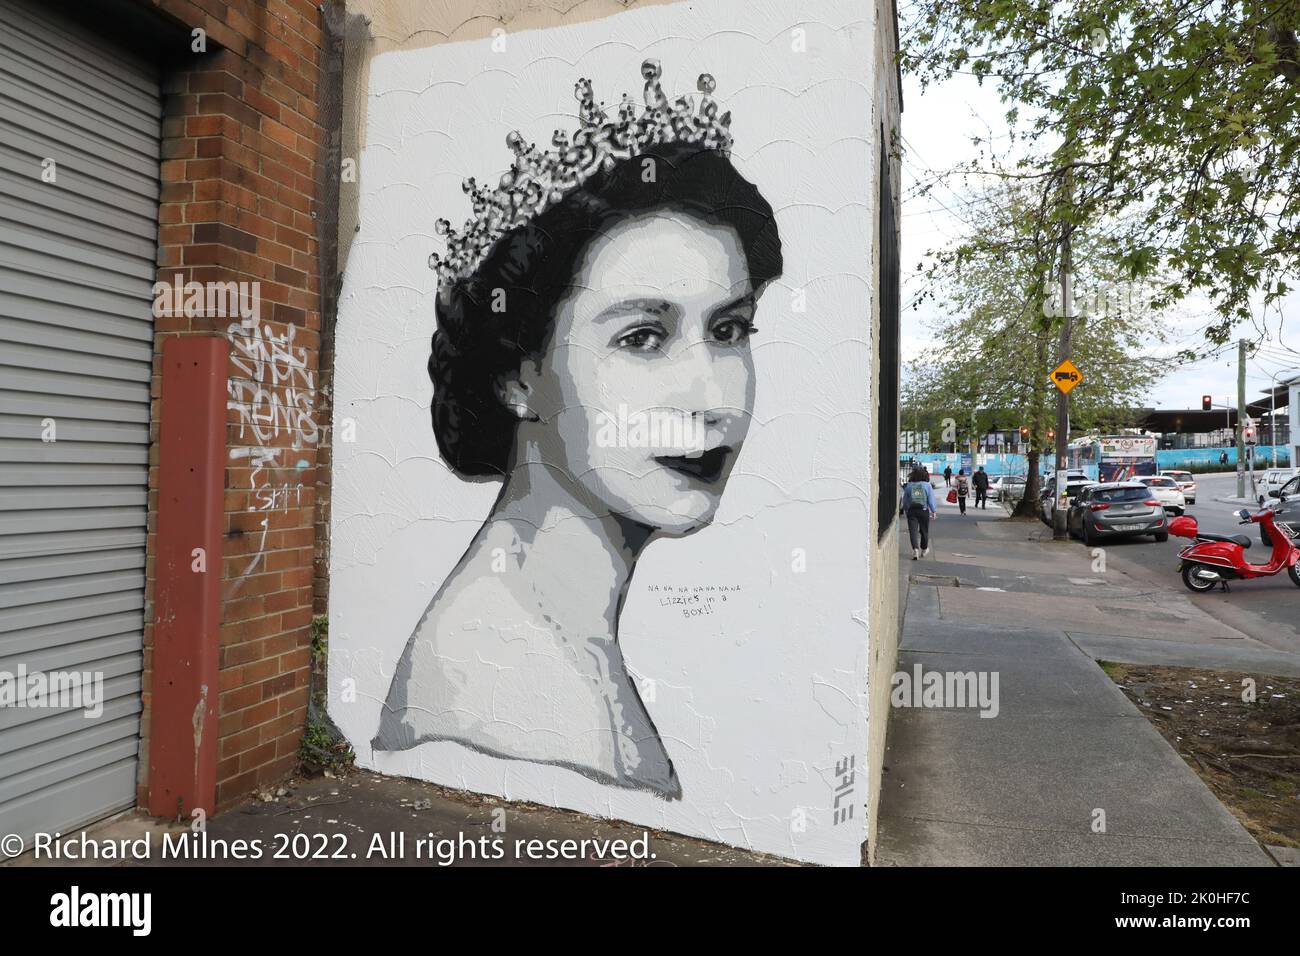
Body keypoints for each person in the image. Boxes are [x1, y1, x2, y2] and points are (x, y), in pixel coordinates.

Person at [372, 61, 783, 800]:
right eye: (642, 338)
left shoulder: (561, 640)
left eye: (729, 329)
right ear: (518, 376)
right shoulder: (521, 708)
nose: (714, 397)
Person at [900, 465, 938, 560]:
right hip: (923, 511)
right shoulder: (927, 485)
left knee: (913, 531)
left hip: (912, 511)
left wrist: (907, 510)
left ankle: (915, 550)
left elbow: (905, 501)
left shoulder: (909, 485)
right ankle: (924, 549)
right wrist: (933, 511)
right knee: (924, 531)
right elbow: (931, 499)